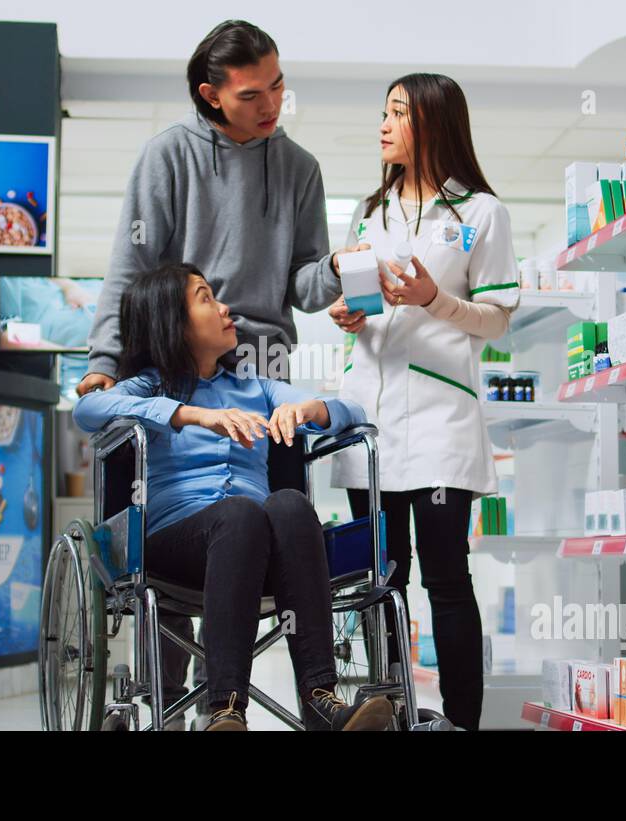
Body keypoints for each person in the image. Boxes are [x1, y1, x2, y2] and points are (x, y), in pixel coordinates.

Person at [77, 20, 365, 724]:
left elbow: (304, 285)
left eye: (277, 86)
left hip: (262, 371)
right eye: (250, 94)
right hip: (175, 363)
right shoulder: (168, 158)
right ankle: (178, 706)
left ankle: (308, 698)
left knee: (278, 512)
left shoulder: (299, 168)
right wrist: (104, 364)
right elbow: (131, 272)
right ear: (210, 95)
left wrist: (332, 274)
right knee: (202, 536)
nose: (271, 104)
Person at [75, 263, 391, 731]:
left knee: (289, 504)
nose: (225, 308)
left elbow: (354, 412)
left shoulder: (256, 388)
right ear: (172, 321)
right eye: (205, 298)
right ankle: (226, 709)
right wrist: (189, 415)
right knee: (241, 514)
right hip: (174, 549)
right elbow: (88, 408)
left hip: (256, 552)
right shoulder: (150, 386)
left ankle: (322, 700)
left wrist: (312, 408)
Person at [327, 73, 520, 731]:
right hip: (370, 422)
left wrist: (435, 299)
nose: (383, 124)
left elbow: (496, 319)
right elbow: (366, 301)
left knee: (445, 580)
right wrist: (349, 314)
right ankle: (392, 712)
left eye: (397, 112)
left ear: (433, 122)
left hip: (440, 422)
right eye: (383, 111)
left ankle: (461, 722)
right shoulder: (367, 212)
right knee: (379, 582)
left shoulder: (482, 213)